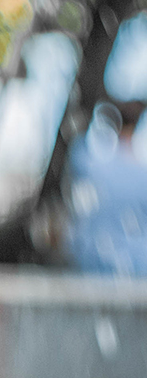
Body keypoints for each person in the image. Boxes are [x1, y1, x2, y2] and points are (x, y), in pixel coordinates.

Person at [68, 99, 147, 276]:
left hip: (93, 266)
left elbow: (77, 154)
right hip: (137, 273)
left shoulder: (92, 164)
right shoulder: (142, 175)